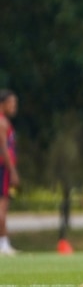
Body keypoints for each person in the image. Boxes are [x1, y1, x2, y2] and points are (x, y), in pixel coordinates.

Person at [0, 90, 20, 256]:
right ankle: (3, 244)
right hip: (3, 169)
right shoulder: (2, 123)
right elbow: (4, 149)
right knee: (2, 207)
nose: (14, 107)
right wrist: (12, 171)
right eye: (12, 104)